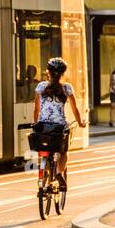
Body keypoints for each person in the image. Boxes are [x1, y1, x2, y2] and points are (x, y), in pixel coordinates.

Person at [32, 57, 86, 185]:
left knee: (42, 146)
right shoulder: (67, 88)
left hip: (43, 125)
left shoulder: (41, 86)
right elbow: (75, 109)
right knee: (63, 151)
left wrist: (36, 124)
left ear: (48, 72)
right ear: (62, 74)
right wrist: (80, 123)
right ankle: (58, 172)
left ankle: (43, 170)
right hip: (59, 127)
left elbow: (36, 110)